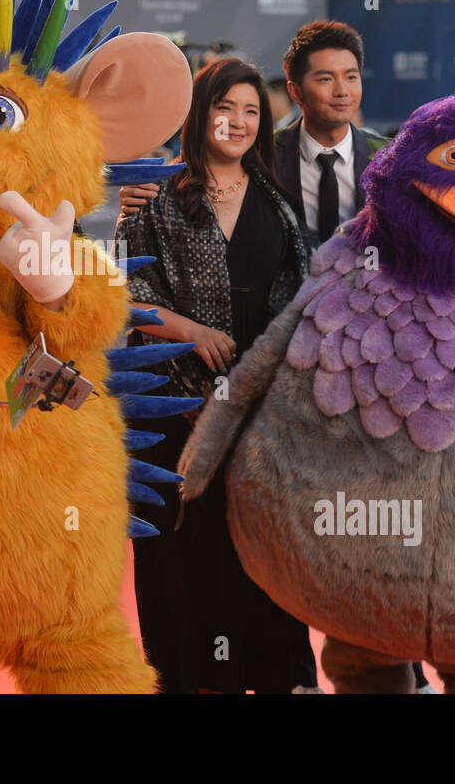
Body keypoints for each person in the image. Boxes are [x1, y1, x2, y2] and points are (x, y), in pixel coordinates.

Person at [113, 58, 317, 694]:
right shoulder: (155, 196)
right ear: (199, 113)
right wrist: (191, 333)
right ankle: (188, 678)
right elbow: (123, 291)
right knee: (180, 553)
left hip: (258, 412)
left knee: (264, 548)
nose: (239, 122)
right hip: (172, 405)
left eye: (252, 111)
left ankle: (281, 677)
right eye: (225, 108)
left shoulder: (278, 204)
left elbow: (299, 302)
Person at [122, 21, 381, 253]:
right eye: (325, 78)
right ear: (295, 91)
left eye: (351, 77)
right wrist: (148, 188)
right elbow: (204, 166)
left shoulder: (393, 159)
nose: (342, 91)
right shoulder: (261, 155)